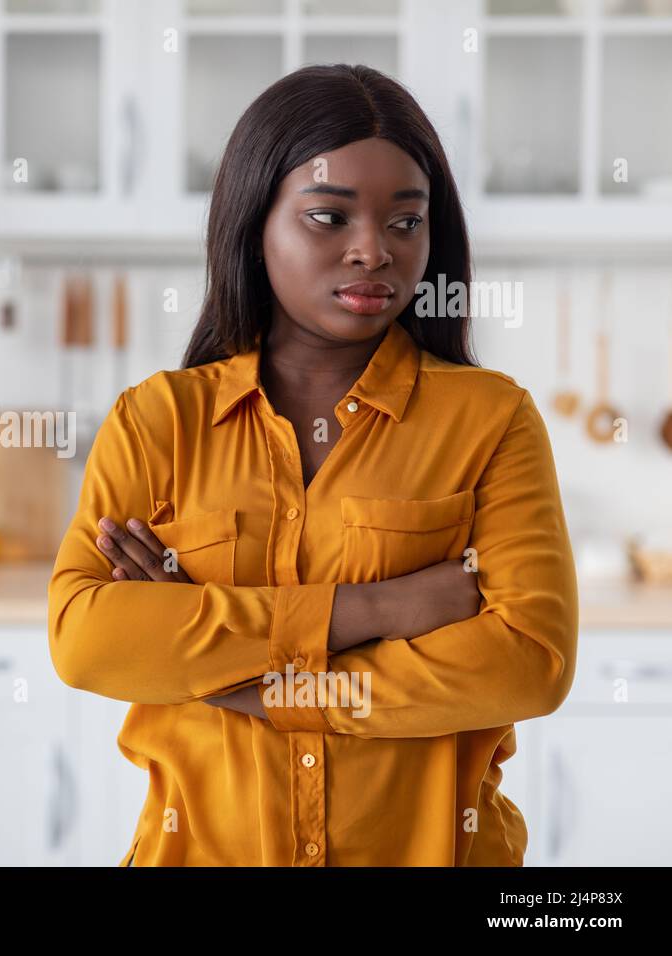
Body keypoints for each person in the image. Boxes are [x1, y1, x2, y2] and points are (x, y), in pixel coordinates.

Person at [47, 64, 577, 867]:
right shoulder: (158, 422)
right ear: (254, 223)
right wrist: (377, 609)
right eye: (329, 217)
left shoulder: (491, 420)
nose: (374, 251)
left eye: (406, 223)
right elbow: (87, 641)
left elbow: (528, 664)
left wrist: (249, 684)